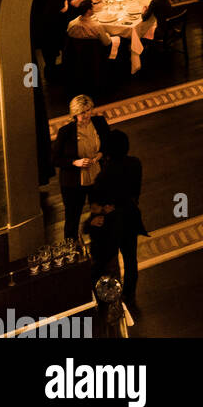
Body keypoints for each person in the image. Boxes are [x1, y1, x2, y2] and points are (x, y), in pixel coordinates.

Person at [86, 129, 147, 305]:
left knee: (109, 260)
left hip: (112, 223)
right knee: (130, 259)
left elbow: (96, 201)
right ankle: (130, 294)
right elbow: (136, 192)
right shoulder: (136, 164)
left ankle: (111, 295)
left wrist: (104, 209)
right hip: (130, 215)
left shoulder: (104, 175)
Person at [52, 95, 111, 239]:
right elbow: (54, 159)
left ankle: (99, 241)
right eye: (82, 112)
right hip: (74, 182)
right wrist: (75, 162)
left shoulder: (100, 122)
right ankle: (72, 251)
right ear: (74, 114)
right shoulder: (65, 132)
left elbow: (109, 144)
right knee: (72, 218)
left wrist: (100, 154)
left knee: (99, 212)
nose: (86, 115)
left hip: (96, 177)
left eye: (88, 110)